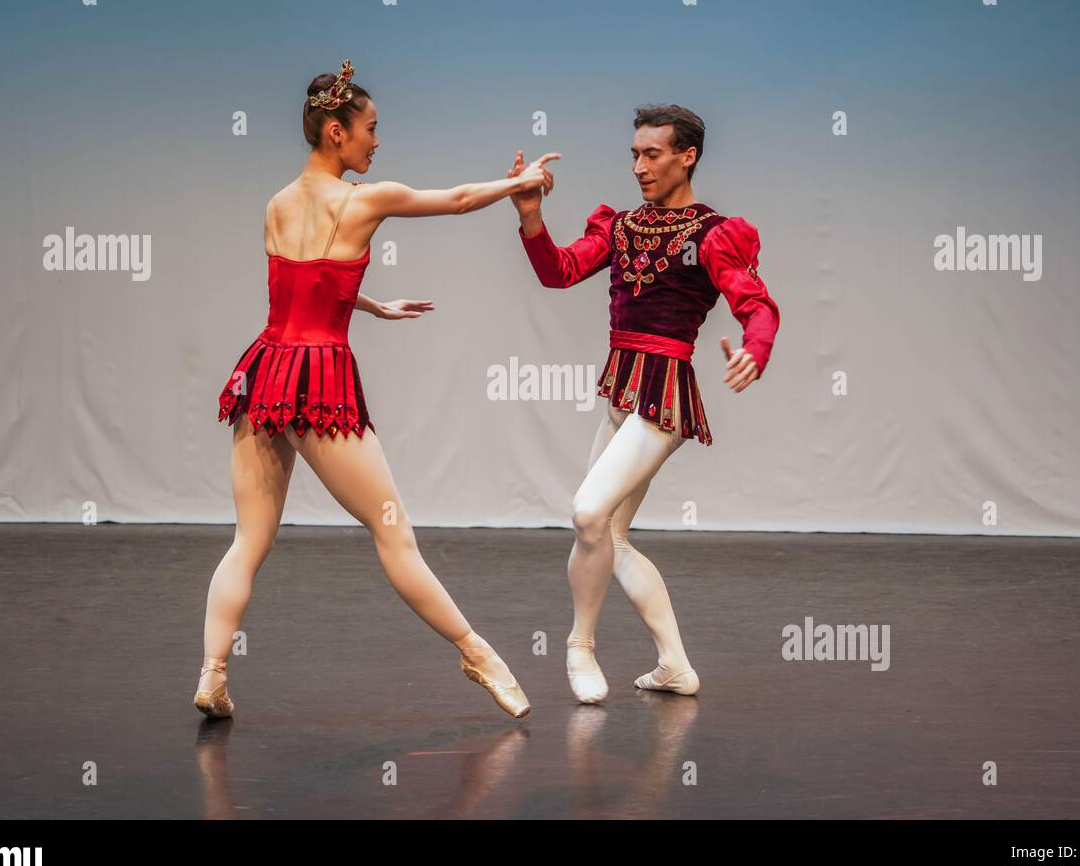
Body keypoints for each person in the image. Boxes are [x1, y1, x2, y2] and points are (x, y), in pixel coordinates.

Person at [197, 60, 559, 720]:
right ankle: (477, 652)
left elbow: (304, 286)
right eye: (369, 128)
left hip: (263, 372)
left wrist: (369, 305)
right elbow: (452, 201)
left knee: (248, 540)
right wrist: (522, 181)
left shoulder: (277, 203)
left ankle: (213, 672)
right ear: (335, 132)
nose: (377, 141)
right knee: (394, 532)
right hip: (315, 377)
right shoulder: (366, 198)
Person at [507, 103, 779, 703]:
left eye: (651, 154)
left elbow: (755, 304)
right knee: (613, 534)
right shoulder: (623, 225)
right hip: (621, 386)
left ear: (688, 157)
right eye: (634, 153)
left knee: (586, 514)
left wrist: (755, 350)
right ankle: (675, 666)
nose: (638, 165)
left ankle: (578, 644)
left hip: (663, 395)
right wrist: (531, 216)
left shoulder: (712, 235)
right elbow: (559, 271)